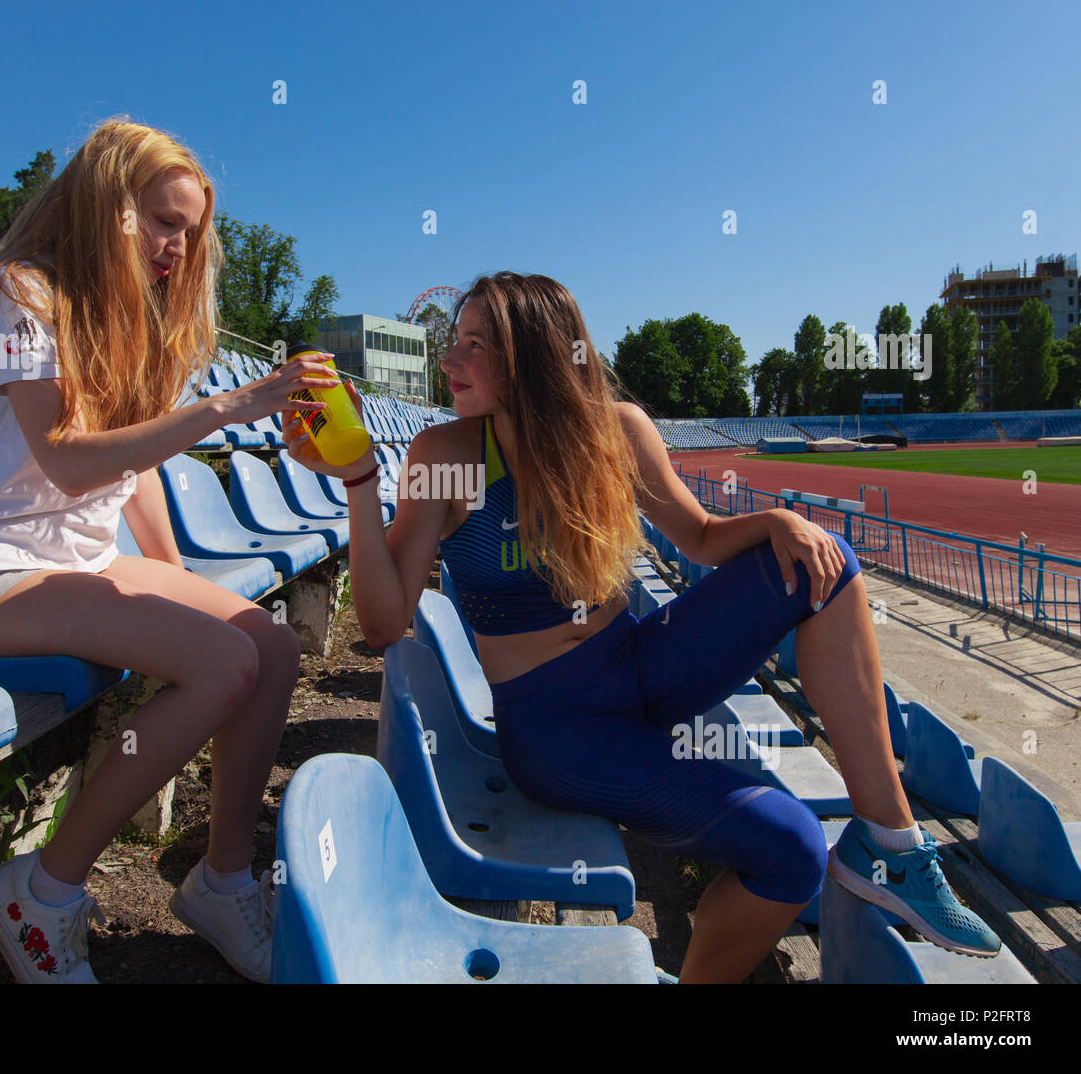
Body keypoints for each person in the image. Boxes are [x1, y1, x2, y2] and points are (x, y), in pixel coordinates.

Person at [285, 271, 1000, 983]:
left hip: (633, 662)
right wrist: (358, 480)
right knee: (793, 848)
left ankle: (892, 845)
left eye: (474, 345)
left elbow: (705, 537)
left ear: (533, 356)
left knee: (822, 562)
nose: (449, 361)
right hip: (555, 724)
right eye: (454, 341)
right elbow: (383, 623)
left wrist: (778, 520)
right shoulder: (446, 459)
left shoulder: (617, 431)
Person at [0, 119, 339, 984]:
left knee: (270, 647)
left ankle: (221, 883)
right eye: (165, 221)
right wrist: (227, 408)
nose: (180, 245)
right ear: (111, 206)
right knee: (221, 666)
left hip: (74, 559)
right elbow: (68, 462)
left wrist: (173, 584)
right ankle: (44, 891)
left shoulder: (122, 314)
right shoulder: (16, 294)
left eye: (191, 230)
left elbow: (131, 470)